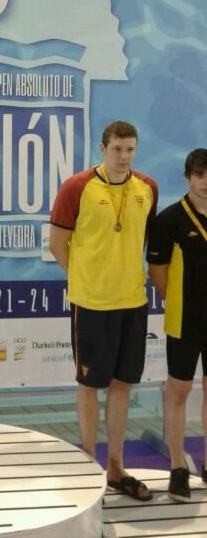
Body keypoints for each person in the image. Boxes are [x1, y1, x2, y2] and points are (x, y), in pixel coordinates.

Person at [49, 121, 158, 501]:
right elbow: (57, 243)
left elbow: (140, 240)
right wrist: (84, 278)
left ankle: (115, 467)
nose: (124, 157)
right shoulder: (76, 187)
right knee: (89, 385)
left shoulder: (147, 188)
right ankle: (87, 463)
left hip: (133, 302)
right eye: (117, 150)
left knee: (123, 385)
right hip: (92, 304)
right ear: (102, 148)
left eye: (130, 150)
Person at [148, 148, 207, 503]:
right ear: (188, 177)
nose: (205, 183)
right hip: (184, 321)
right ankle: (177, 468)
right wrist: (181, 302)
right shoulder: (170, 219)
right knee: (179, 390)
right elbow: (157, 270)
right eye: (199, 175)